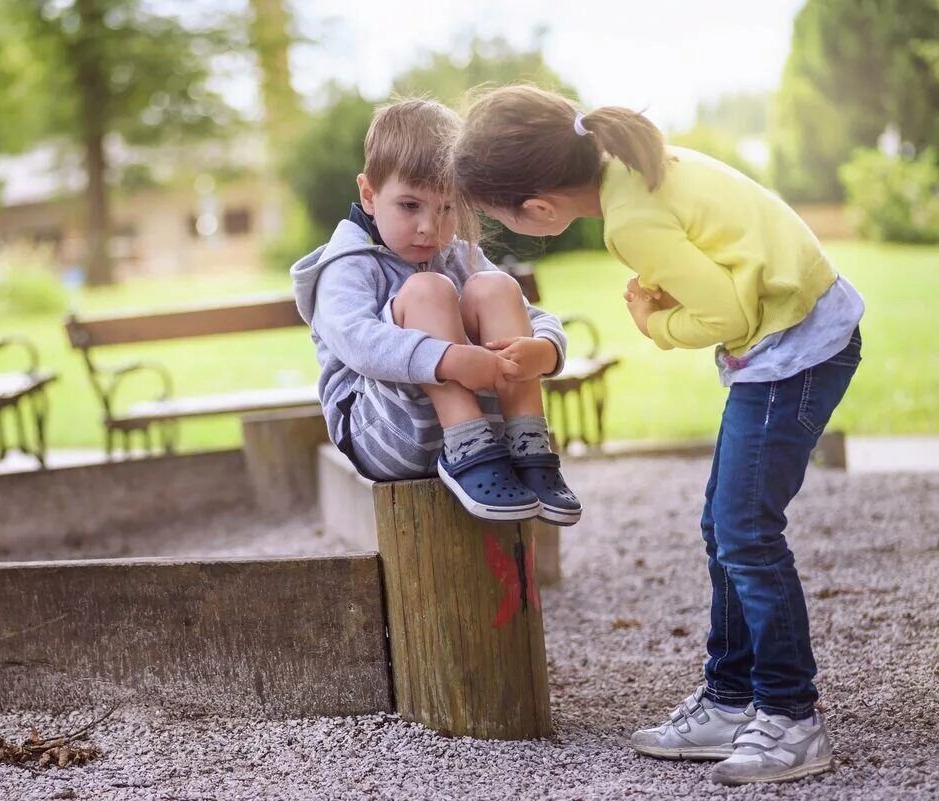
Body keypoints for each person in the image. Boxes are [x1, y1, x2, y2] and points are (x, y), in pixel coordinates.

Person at [451, 85, 863, 786]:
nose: (499, 229)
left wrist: (655, 325)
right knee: (725, 524)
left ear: (541, 207)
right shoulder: (634, 163)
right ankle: (732, 698)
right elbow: (729, 258)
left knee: (746, 532)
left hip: (794, 353)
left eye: (499, 218)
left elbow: (730, 313)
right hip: (799, 331)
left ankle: (792, 716)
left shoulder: (628, 220)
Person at [290, 98, 582, 526]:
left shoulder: (457, 253)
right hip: (385, 433)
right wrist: (446, 359)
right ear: (369, 195)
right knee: (428, 290)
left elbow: (529, 313)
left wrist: (546, 349)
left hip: (490, 437)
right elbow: (357, 342)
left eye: (447, 208)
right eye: (410, 206)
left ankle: (529, 443)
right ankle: (467, 446)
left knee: (496, 286)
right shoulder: (347, 265)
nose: (430, 226)